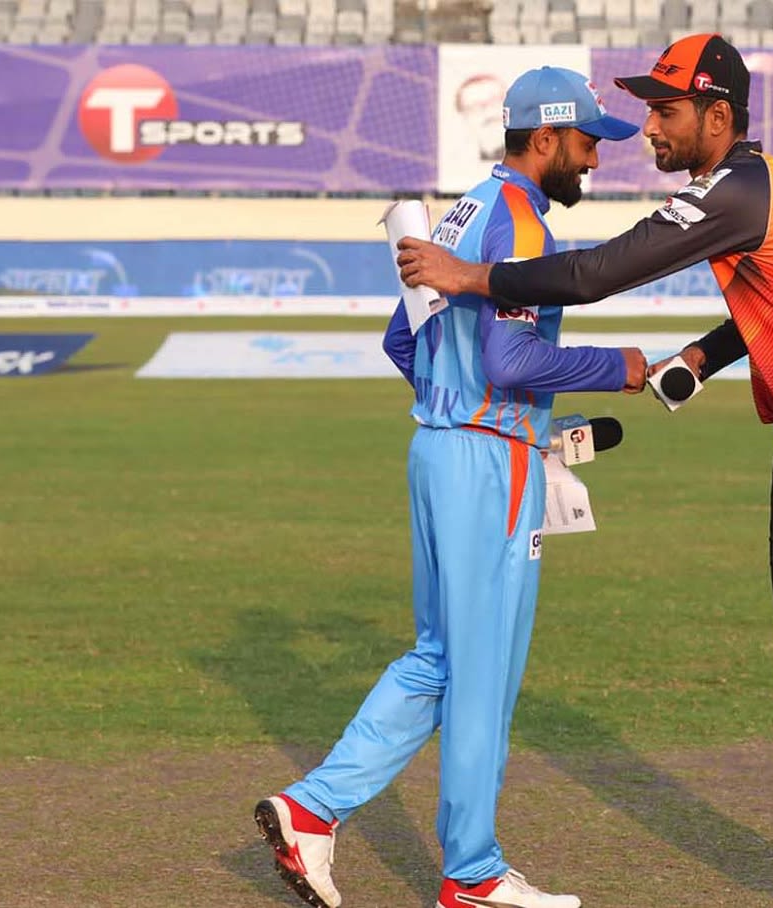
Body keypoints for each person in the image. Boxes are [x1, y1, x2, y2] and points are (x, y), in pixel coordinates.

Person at [398, 34, 773, 908]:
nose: (649, 128)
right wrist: (706, 355)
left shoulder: (737, 189)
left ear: (717, 116)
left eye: (665, 110)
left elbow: (601, 272)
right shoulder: (754, 189)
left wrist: (475, 276)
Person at [255, 66, 646, 908]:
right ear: (546, 138)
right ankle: (471, 873)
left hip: (437, 450)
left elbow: (403, 341)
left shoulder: (465, 210)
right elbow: (511, 359)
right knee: (482, 672)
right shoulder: (523, 223)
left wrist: (458, 406)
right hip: (487, 462)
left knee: (440, 657)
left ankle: (312, 810)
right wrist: (619, 367)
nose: (595, 160)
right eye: (587, 144)